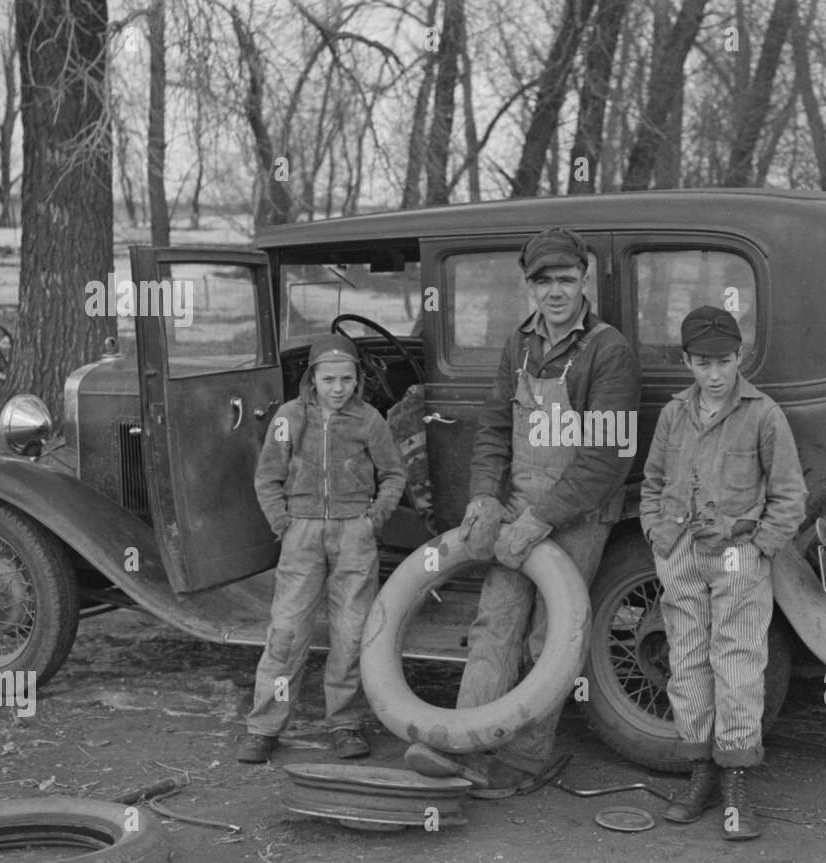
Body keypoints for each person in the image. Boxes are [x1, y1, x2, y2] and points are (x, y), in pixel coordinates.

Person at [404, 227, 641, 797]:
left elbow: (608, 456)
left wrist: (542, 519)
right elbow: (493, 427)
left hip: (579, 516)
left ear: (584, 280)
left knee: (548, 637)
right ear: (529, 285)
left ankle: (523, 760)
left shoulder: (610, 351)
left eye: (565, 279)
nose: (555, 292)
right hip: (516, 507)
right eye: (543, 282)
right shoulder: (519, 344)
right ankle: (461, 747)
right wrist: (485, 497)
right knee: (494, 624)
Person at [640, 306, 807, 840]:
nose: (716, 374)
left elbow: (789, 496)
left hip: (737, 557)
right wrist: (656, 534)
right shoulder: (673, 415)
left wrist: (759, 547)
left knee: (736, 662)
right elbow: (651, 483)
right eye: (704, 362)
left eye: (726, 361)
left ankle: (736, 780)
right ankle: (700, 773)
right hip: (679, 553)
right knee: (686, 659)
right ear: (687, 361)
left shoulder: (763, 415)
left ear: (741, 357)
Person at [237, 334, 408, 763]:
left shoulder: (370, 420)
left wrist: (372, 521)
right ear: (312, 378)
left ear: (357, 379)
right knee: (287, 633)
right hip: (303, 535)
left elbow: (393, 476)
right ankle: (264, 727)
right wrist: (284, 524)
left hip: (354, 534)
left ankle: (345, 724)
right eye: (328, 378)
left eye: (346, 378)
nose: (337, 387)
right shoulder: (289, 417)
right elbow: (267, 478)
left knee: (351, 634)